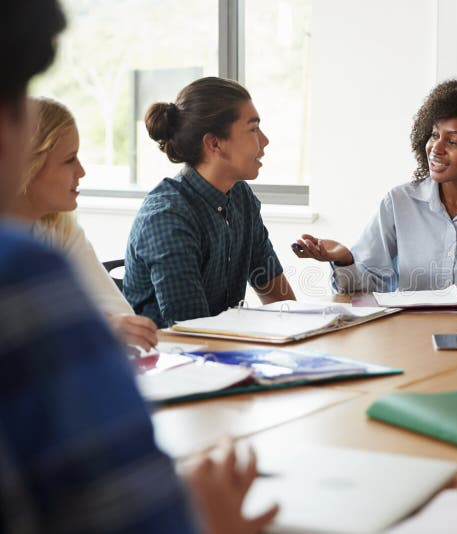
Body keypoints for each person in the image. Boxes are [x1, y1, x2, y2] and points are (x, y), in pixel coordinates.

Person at [0, 3, 276, 532]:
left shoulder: (241, 201)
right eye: (254, 129)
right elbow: (184, 329)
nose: (84, 172)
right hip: (188, 390)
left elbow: (120, 318)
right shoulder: (26, 275)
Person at [292, 79, 457, 300]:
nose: (436, 148)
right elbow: (366, 287)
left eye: (453, 141)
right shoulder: (399, 202)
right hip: (412, 339)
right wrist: (345, 260)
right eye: (434, 135)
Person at [125, 77, 296, 328]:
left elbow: (279, 298)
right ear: (214, 143)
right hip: (176, 361)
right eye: (253, 129)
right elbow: (194, 332)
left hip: (221, 354)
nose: (265, 140)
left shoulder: (241, 197)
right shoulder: (167, 216)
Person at [11, 97, 158, 352]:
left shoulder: (59, 226)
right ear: (28, 166)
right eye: (69, 160)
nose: (81, 172)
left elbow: (119, 313)